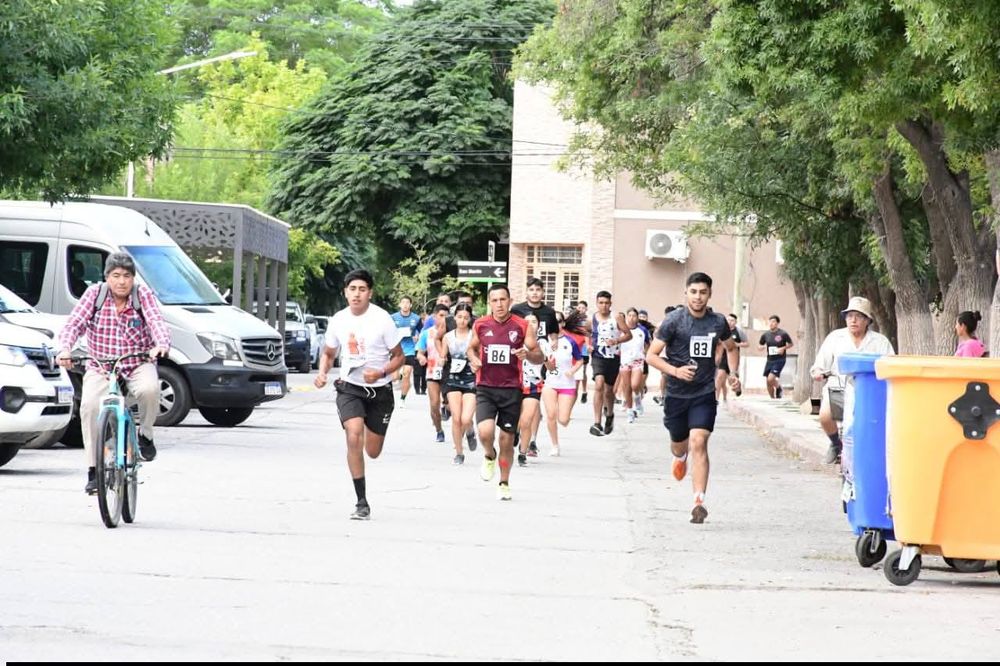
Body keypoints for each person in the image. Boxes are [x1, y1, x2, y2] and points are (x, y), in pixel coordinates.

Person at [57, 252, 170, 494]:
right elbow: (74, 324)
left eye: (127, 276)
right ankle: (94, 470)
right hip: (100, 364)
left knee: (151, 390)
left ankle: (146, 435)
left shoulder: (142, 295)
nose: (121, 281)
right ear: (107, 277)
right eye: (116, 275)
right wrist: (65, 348)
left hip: (137, 361)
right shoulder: (94, 295)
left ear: (133, 279)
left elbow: (156, 322)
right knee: (88, 407)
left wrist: (161, 344)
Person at [645, 273, 741, 524]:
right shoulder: (673, 321)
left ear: (710, 294)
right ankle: (679, 457)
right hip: (676, 394)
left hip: (704, 392)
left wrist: (733, 373)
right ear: (686, 293)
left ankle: (699, 500)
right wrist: (675, 371)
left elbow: (731, 348)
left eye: (703, 292)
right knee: (680, 444)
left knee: (699, 441)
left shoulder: (718, 322)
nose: (698, 297)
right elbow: (651, 356)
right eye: (694, 292)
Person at [314, 269, 405, 520]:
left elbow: (400, 357)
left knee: (373, 451)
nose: (357, 294)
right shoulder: (338, 320)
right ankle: (361, 502)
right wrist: (322, 373)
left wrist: (380, 372)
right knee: (354, 436)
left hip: (380, 390)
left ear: (370, 293)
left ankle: (366, 423)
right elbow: (329, 353)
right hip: (350, 387)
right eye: (352, 289)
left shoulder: (382, 319)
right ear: (345, 293)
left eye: (362, 289)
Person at [467, 284, 542, 500]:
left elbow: (539, 355)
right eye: (494, 300)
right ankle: (489, 455)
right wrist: (474, 359)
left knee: (507, 441)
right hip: (486, 387)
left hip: (511, 390)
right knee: (485, 432)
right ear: (489, 302)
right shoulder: (481, 324)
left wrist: (527, 354)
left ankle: (504, 482)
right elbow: (470, 348)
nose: (499, 304)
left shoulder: (522, 325)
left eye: (503, 300)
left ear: (509, 301)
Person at [810, 296, 895, 465]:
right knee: (825, 416)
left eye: (859, 316)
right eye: (850, 316)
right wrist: (818, 372)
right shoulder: (835, 337)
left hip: (868, 390)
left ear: (867, 320)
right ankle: (835, 444)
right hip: (838, 387)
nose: (853, 320)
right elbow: (819, 365)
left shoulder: (880, 341)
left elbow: (890, 364)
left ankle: (866, 454)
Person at [511, 277, 561, 460]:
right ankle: (517, 432)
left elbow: (554, 334)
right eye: (531, 289)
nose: (535, 293)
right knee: (517, 411)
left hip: (538, 367)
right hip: (516, 372)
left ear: (542, 292)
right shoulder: (516, 309)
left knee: (532, 411)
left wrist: (553, 345)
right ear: (527, 291)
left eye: (538, 290)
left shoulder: (549, 312)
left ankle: (530, 441)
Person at [436, 302, 479, 464]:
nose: (462, 320)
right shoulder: (448, 336)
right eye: (459, 317)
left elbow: (479, 353)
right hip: (453, 378)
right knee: (456, 418)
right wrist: (441, 358)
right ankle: (459, 453)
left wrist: (477, 363)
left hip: (470, 379)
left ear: (470, 319)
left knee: (466, 418)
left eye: (466, 318)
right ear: (454, 318)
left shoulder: (474, 336)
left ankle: (469, 431)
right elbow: (443, 354)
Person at [541, 311, 588, 455]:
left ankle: (563, 419)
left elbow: (580, 360)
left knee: (563, 419)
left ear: (563, 323)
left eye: (559, 321)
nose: (556, 324)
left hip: (567, 383)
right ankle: (555, 445)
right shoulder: (544, 341)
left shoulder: (570, 341)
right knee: (550, 415)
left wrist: (572, 371)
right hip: (550, 382)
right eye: (553, 322)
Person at [589, 291, 632, 436]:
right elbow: (585, 333)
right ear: (596, 303)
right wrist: (588, 345)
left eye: (606, 303)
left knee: (608, 391)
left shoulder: (617, 317)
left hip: (613, 357)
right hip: (597, 356)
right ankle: (596, 423)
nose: (604, 306)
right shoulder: (592, 318)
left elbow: (628, 334)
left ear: (610, 304)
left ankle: (610, 414)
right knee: (599, 384)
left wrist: (617, 341)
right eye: (601, 303)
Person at [416, 304, 450, 442]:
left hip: (450, 373)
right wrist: (421, 357)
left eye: (446, 316)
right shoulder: (427, 333)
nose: (444, 319)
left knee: (450, 405)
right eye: (441, 316)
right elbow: (419, 352)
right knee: (434, 403)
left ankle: (447, 409)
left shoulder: (453, 332)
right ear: (434, 316)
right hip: (432, 372)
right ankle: (439, 430)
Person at [620, 307, 651, 423]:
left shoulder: (642, 330)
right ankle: (629, 410)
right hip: (625, 361)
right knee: (627, 387)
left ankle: (637, 397)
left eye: (634, 316)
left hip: (638, 360)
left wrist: (647, 353)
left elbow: (648, 344)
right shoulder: (622, 330)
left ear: (637, 318)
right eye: (629, 315)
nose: (632, 318)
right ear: (626, 317)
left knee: (635, 384)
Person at [390, 296, 422, 407]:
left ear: (410, 305)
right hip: (396, 349)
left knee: (407, 373)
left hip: (409, 350)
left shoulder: (416, 318)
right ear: (399, 304)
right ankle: (399, 378)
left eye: (407, 303)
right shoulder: (393, 317)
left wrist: (417, 337)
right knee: (394, 377)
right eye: (403, 302)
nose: (405, 305)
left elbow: (421, 332)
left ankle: (402, 399)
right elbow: (387, 331)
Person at [758, 315, 793, 399]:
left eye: (773, 321)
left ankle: (778, 388)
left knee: (771, 379)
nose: (771, 323)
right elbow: (760, 345)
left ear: (777, 323)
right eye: (770, 321)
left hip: (780, 359)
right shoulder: (765, 335)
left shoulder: (783, 334)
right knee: (768, 382)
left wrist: (783, 348)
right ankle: (772, 399)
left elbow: (791, 344)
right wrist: (760, 347)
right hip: (769, 360)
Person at [716, 313, 749, 401]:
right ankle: (716, 399)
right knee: (720, 377)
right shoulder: (722, 331)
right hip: (723, 357)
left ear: (735, 322)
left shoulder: (739, 331)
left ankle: (738, 389)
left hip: (734, 358)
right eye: (728, 320)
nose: (730, 322)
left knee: (731, 378)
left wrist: (737, 344)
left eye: (732, 320)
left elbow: (747, 343)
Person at [653, 305, 678, 406]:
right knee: (665, 374)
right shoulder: (661, 325)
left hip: (675, 354)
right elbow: (655, 337)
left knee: (673, 376)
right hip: (663, 353)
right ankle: (662, 395)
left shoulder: (679, 324)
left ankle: (671, 395)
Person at [574, 300, 591, 403]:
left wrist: (588, 345)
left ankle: (584, 391)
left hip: (583, 350)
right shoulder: (572, 321)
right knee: (575, 372)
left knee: (583, 371)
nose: (581, 309)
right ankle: (574, 390)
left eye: (583, 308)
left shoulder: (587, 322)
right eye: (579, 307)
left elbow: (587, 335)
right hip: (574, 348)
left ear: (586, 310)